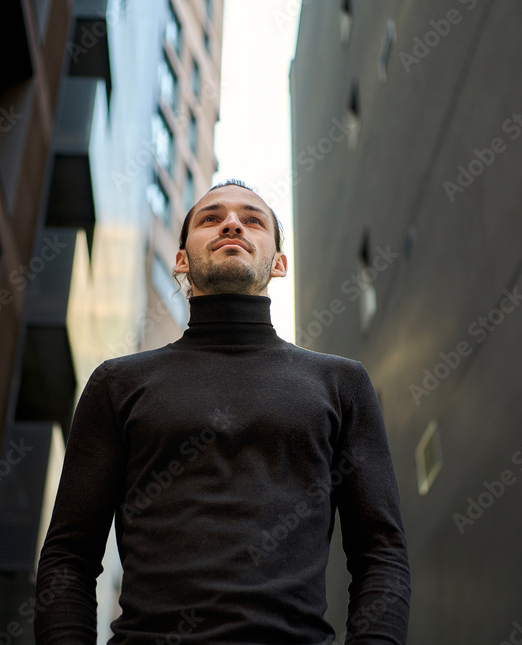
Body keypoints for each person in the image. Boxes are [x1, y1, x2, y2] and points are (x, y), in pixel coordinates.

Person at [34, 180, 410, 644]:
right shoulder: (118, 384)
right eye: (210, 218)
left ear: (279, 263)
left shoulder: (340, 384)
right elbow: (69, 559)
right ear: (180, 260)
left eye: (253, 220)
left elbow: (381, 554)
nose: (232, 223)